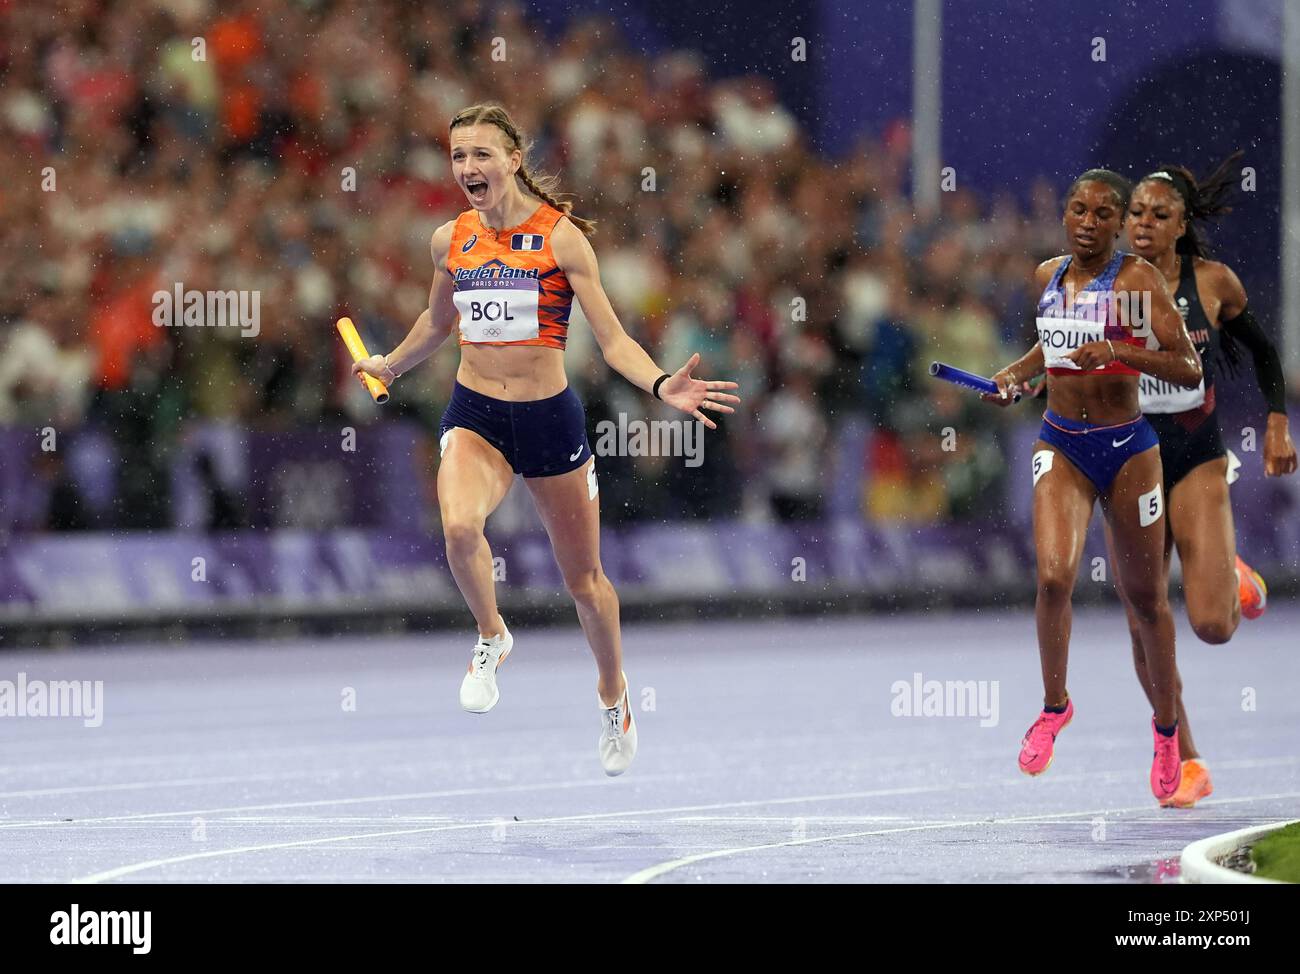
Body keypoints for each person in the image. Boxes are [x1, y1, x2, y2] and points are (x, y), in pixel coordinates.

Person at [352, 104, 740, 776]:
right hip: (476, 415)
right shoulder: (450, 240)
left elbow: (614, 339)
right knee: (459, 529)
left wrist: (659, 387)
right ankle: (491, 635)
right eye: (457, 156)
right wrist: (389, 364)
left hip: (549, 422)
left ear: (512, 158)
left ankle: (613, 696)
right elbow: (436, 324)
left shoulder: (561, 240)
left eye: (481, 154)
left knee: (584, 582)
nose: (468, 168)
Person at [985, 169, 1202, 802]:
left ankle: (1166, 733)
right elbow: (1048, 351)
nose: (1088, 222)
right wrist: (1016, 378)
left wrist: (1118, 352)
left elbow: (1186, 365)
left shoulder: (1137, 280)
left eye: (1103, 214)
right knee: (1053, 577)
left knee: (1146, 601)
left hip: (1129, 450)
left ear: (1117, 223)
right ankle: (1055, 707)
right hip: (1061, 443)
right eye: (1078, 210)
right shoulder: (1046, 276)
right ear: (1065, 215)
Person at [1106, 155, 1296, 807]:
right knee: (1143, 617)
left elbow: (1265, 352)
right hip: (1127, 461)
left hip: (1195, 455)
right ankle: (1184, 758)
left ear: (1182, 226)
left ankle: (1230, 573)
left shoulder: (1213, 284)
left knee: (1213, 625)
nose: (1144, 225)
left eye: (1160, 216)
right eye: (1135, 213)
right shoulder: (1099, 285)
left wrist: (1276, 422)